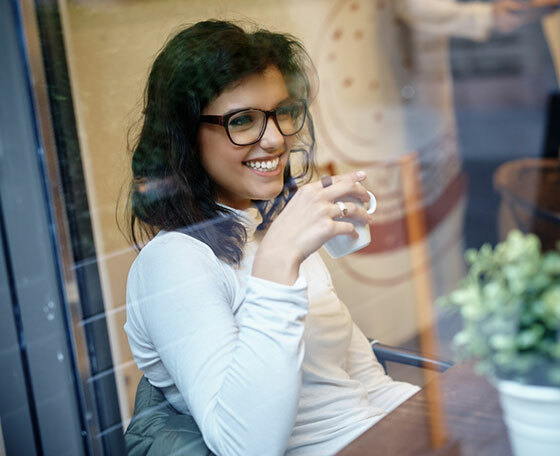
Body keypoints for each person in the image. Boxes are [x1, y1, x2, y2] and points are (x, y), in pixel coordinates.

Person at [123, 20, 419, 456]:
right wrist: (279, 260)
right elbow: (246, 446)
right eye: (242, 121)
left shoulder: (268, 231)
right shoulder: (174, 260)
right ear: (185, 139)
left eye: (283, 112)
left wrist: (454, 423)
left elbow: (369, 389)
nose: (276, 138)